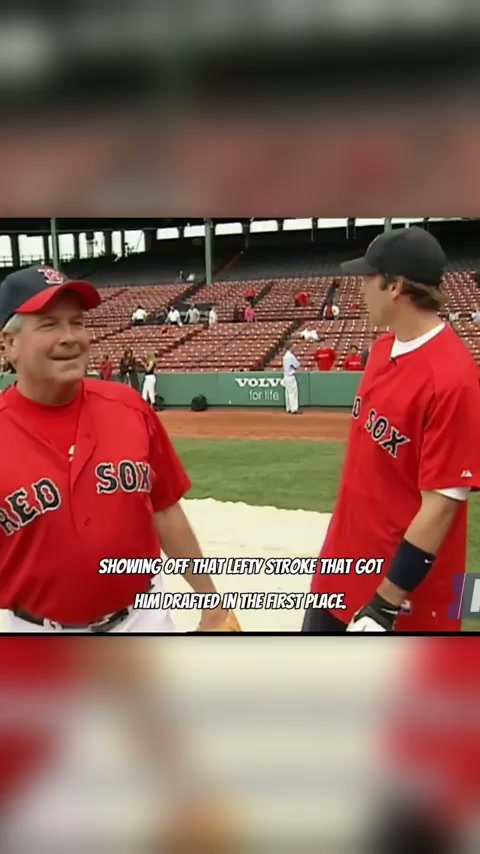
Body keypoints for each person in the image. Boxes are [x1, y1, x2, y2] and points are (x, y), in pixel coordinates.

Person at [0, 265, 241, 634]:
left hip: (144, 621)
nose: (70, 337)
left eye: (77, 323)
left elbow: (165, 511)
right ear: (9, 344)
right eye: (49, 324)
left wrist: (211, 603)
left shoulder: (128, 406)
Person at [303, 226, 480, 634]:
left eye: (368, 278)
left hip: (398, 599)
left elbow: (441, 506)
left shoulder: (452, 378)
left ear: (396, 286)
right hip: (338, 574)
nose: (361, 288)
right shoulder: (383, 349)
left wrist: (386, 602)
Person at [282, 341, 301, 415]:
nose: (294, 348)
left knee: (288, 393)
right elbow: (297, 365)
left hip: (286, 376)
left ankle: (289, 408)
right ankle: (294, 409)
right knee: (293, 392)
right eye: (293, 346)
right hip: (290, 376)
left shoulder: (285, 356)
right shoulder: (290, 356)